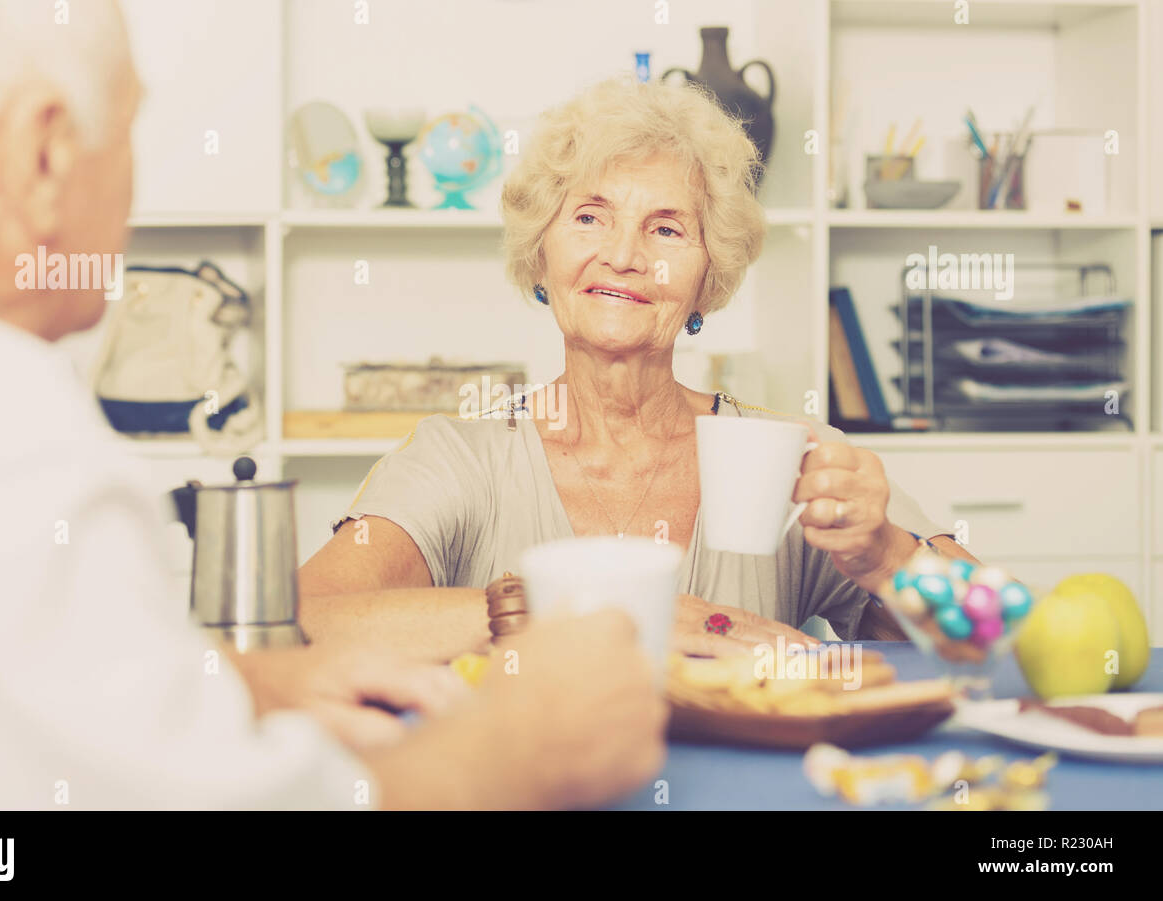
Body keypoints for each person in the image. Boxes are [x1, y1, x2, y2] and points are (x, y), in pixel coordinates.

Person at [0, 0, 666, 811]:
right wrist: (508, 749)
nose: (627, 255)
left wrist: (244, 680)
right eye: (130, 136)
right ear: (45, 157)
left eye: (667, 229)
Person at [299, 76, 981, 660]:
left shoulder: (790, 459)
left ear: (708, 273)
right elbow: (300, 622)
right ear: (543, 254)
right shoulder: (457, 459)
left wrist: (887, 556)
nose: (624, 255)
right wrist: (607, 615)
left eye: (666, 228)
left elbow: (994, 633)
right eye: (591, 216)